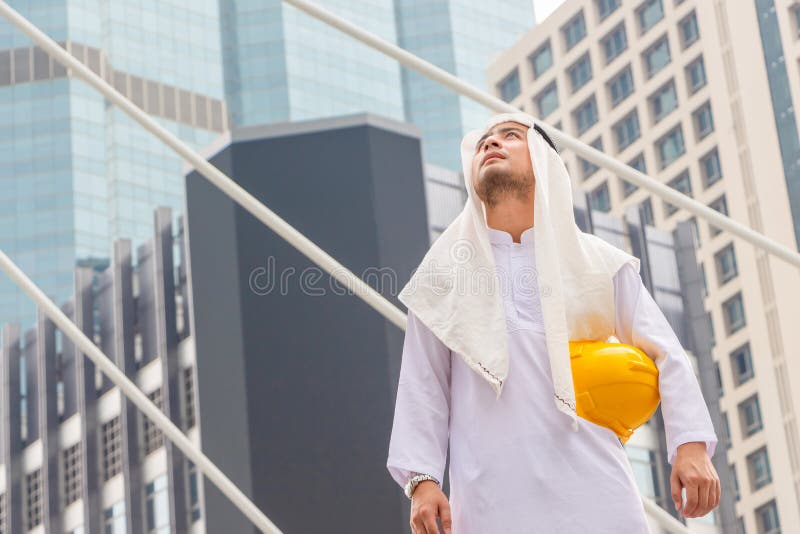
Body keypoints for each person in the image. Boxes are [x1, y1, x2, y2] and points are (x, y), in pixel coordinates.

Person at [386, 112, 720, 533]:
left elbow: (666, 353)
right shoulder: (440, 278)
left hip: (600, 501)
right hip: (489, 509)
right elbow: (422, 385)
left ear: (545, 162)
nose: (491, 144)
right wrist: (421, 482)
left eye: (510, 136)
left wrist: (690, 445)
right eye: (483, 142)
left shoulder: (600, 262)